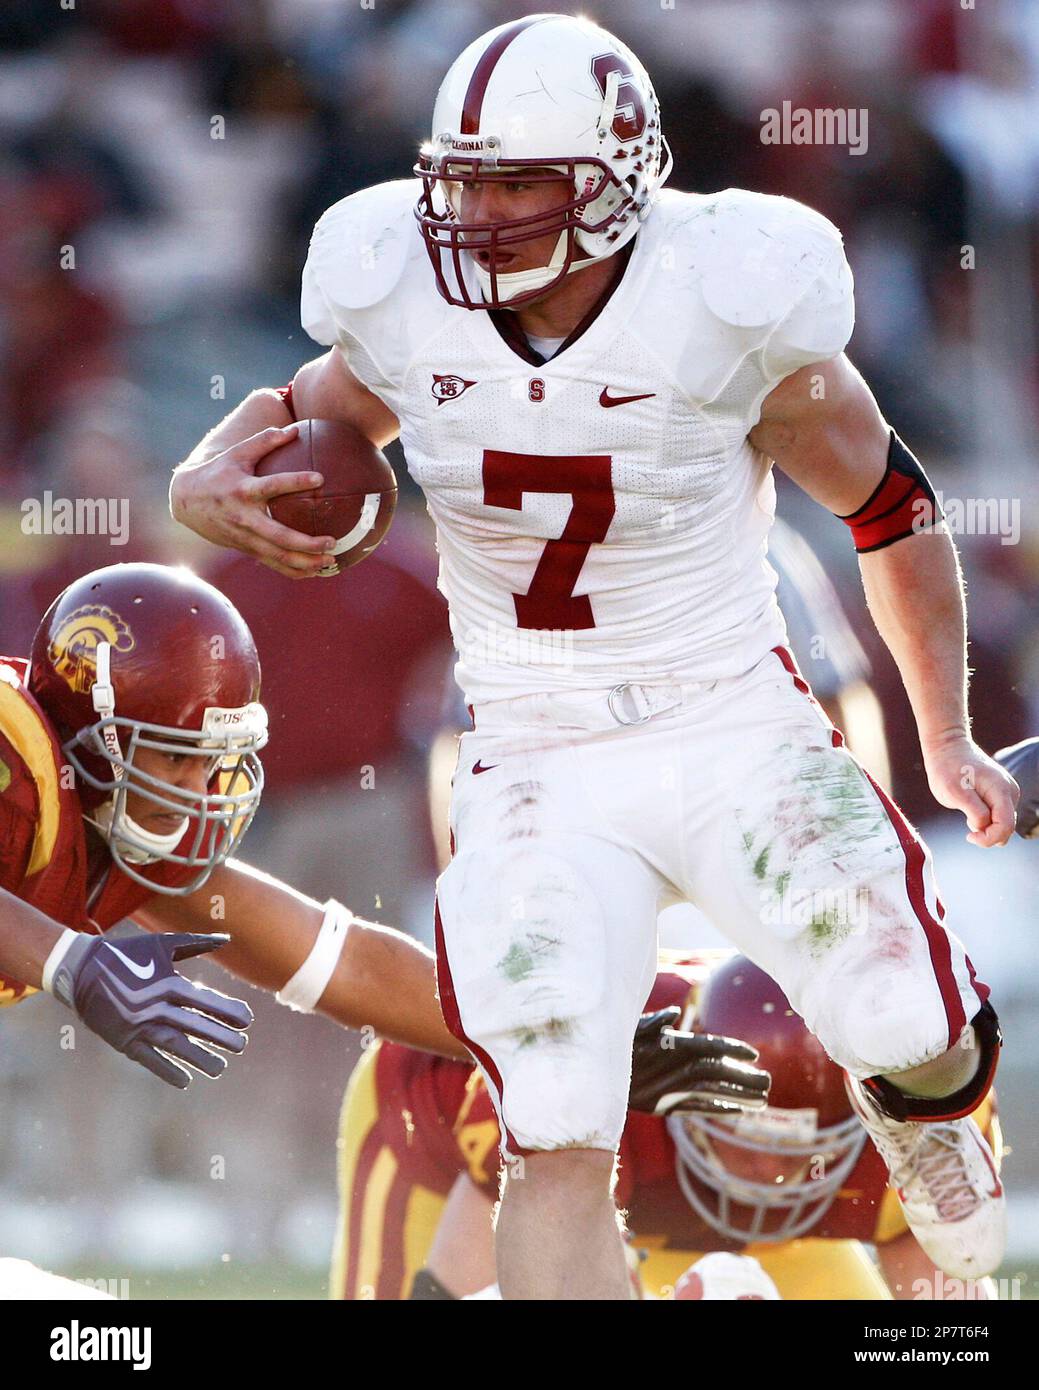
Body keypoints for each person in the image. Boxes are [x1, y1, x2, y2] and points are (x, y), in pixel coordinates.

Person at [169, 14, 1018, 1300]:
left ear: (617, 182)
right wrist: (198, 479)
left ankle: (922, 1116)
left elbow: (889, 509)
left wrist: (942, 735)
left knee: (908, 1026)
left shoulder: (727, 300)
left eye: (517, 182)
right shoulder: (405, 297)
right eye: (460, 178)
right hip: (534, 746)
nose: (476, 214)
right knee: (551, 1112)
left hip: (727, 717)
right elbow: (307, 411)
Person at [1, 560, 765, 1105]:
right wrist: (72, 963)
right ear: (86, 731)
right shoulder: (16, 752)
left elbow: (342, 961)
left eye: (216, 760)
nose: (201, 789)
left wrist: (539, 1038)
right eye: (176, 755)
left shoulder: (117, 831)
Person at [332, 953, 1002, 1301]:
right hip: (441, 1131)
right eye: (743, 1142)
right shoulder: (604, 1097)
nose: (763, 1177)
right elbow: (458, 1292)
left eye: (791, 1153)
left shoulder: (916, 1136)